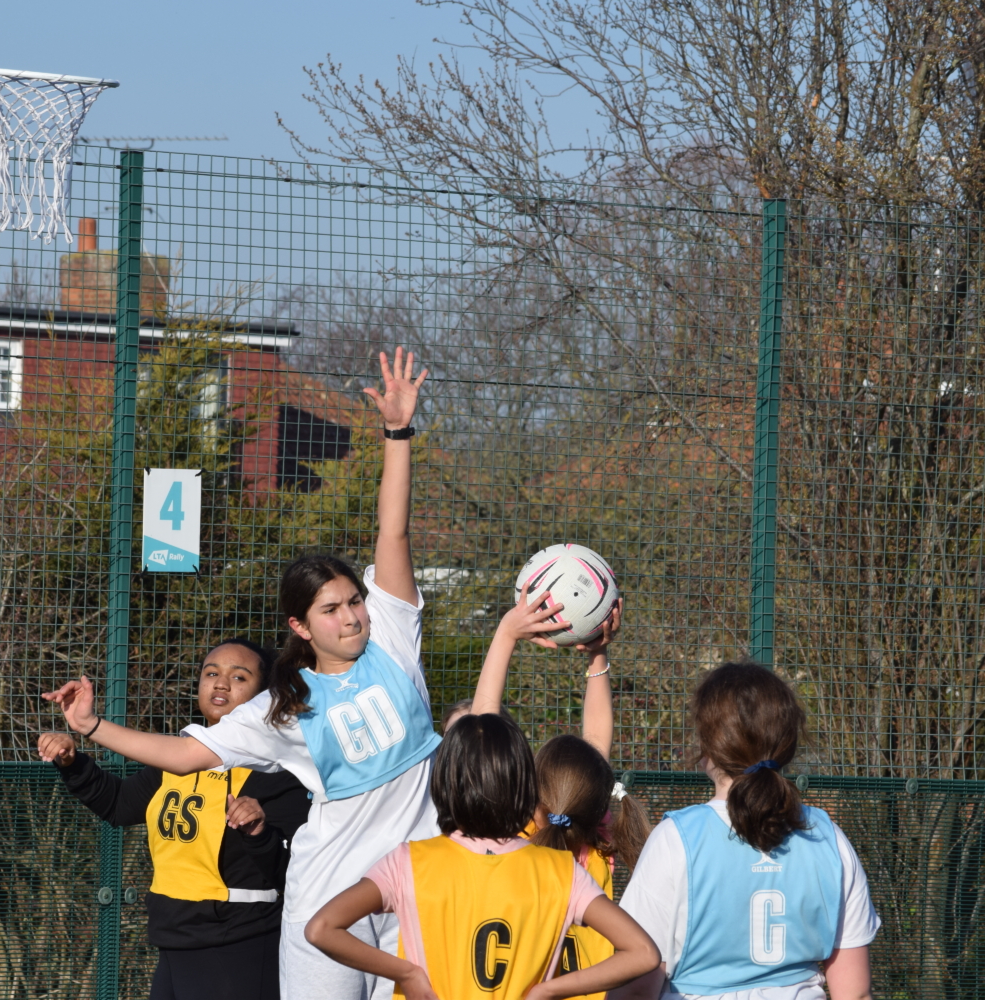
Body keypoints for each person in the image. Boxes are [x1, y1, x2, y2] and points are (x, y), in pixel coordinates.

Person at [43, 347, 440, 1000]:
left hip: (414, 892)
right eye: (333, 608)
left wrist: (398, 433)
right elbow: (180, 753)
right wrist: (92, 727)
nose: (352, 616)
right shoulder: (282, 706)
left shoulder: (394, 637)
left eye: (355, 602)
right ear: (302, 627)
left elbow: (391, 536)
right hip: (327, 899)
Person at [303, 711, 661, 1000]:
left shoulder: (409, 861)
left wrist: (407, 973)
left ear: (443, 783)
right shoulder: (561, 870)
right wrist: (548, 990)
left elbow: (320, 928)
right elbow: (644, 953)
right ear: (525, 786)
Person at [38, 639, 308, 1000]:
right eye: (211, 673)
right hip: (175, 935)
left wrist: (258, 833)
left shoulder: (277, 770)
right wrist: (73, 764)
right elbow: (118, 804)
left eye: (239, 676)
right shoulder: (178, 758)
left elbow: (294, 873)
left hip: (241, 941)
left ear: (264, 694)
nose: (221, 683)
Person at [610, 661, 881, 1000]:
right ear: (787, 743)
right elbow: (854, 994)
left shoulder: (676, 840)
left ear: (708, 746)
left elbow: (636, 989)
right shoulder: (828, 838)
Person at [469, 590, 649, 1000]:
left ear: (530, 787)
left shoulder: (514, 833)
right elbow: (597, 742)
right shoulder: (600, 841)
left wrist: (506, 634)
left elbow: (482, 722)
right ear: (597, 797)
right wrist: (598, 654)